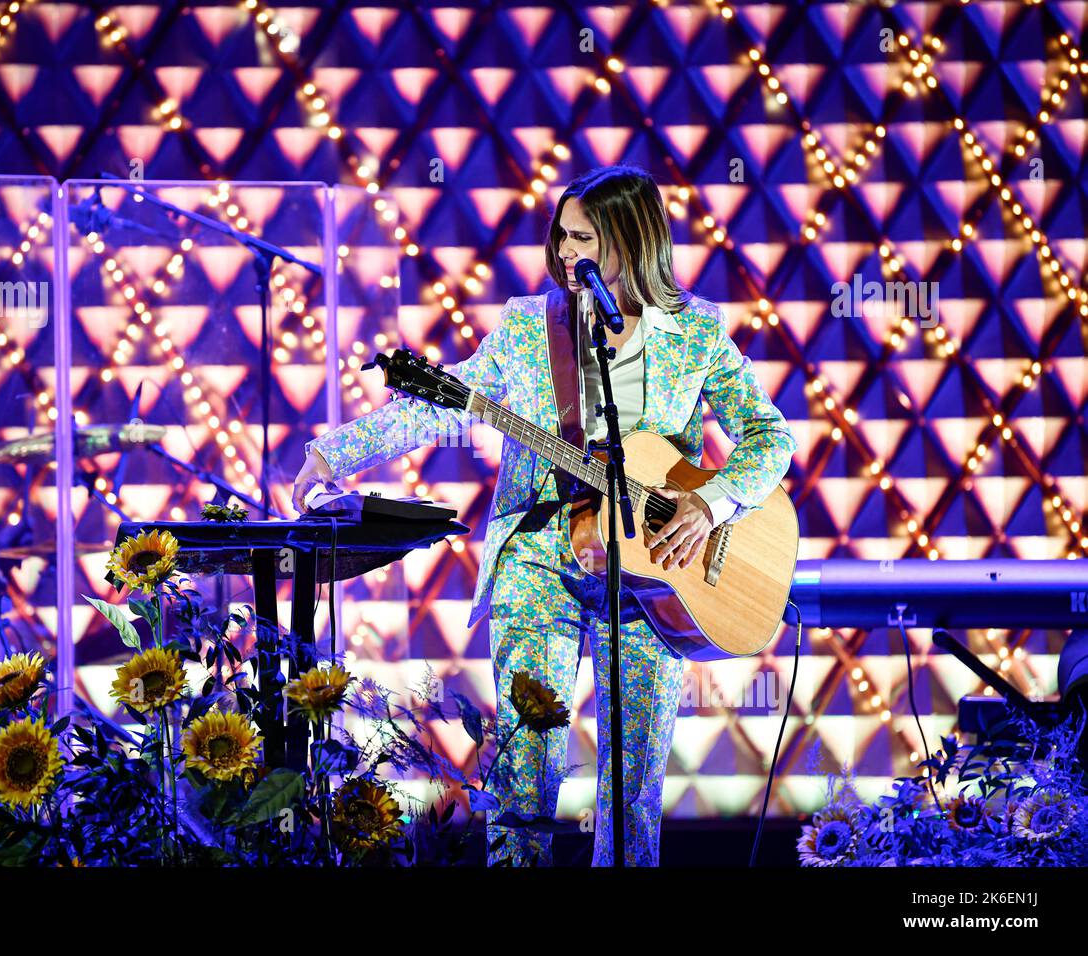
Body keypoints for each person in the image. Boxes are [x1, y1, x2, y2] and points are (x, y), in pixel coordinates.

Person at [292, 164, 796, 866]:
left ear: (631, 242)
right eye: (560, 235)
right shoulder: (531, 327)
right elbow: (439, 401)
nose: (564, 252)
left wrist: (710, 504)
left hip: (655, 576)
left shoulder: (698, 333)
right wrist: (332, 454)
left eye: (582, 237)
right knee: (524, 775)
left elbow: (771, 439)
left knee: (634, 784)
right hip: (539, 556)